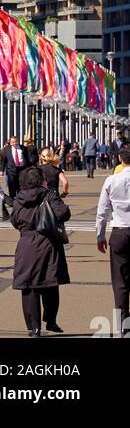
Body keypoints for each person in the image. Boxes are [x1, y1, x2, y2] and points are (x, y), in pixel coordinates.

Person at [11, 165, 71, 337]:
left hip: (27, 243)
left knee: (29, 286)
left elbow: (15, 221)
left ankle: (34, 327)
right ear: (40, 180)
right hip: (49, 242)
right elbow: (64, 213)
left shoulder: (18, 199)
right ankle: (50, 319)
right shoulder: (49, 195)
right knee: (50, 282)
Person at [96, 144, 130, 337]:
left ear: (120, 160)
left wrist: (100, 236)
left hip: (120, 231)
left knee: (120, 281)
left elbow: (102, 211)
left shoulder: (111, 180)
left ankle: (124, 324)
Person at [0, 135, 33, 201]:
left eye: (16, 142)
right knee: (11, 184)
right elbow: (3, 160)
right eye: (13, 142)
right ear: (10, 142)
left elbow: (27, 158)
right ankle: (12, 199)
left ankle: (20, 197)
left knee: (21, 183)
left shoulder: (23, 148)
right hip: (11, 169)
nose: (15, 143)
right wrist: (2, 170)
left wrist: (29, 168)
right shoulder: (6, 149)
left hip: (22, 169)